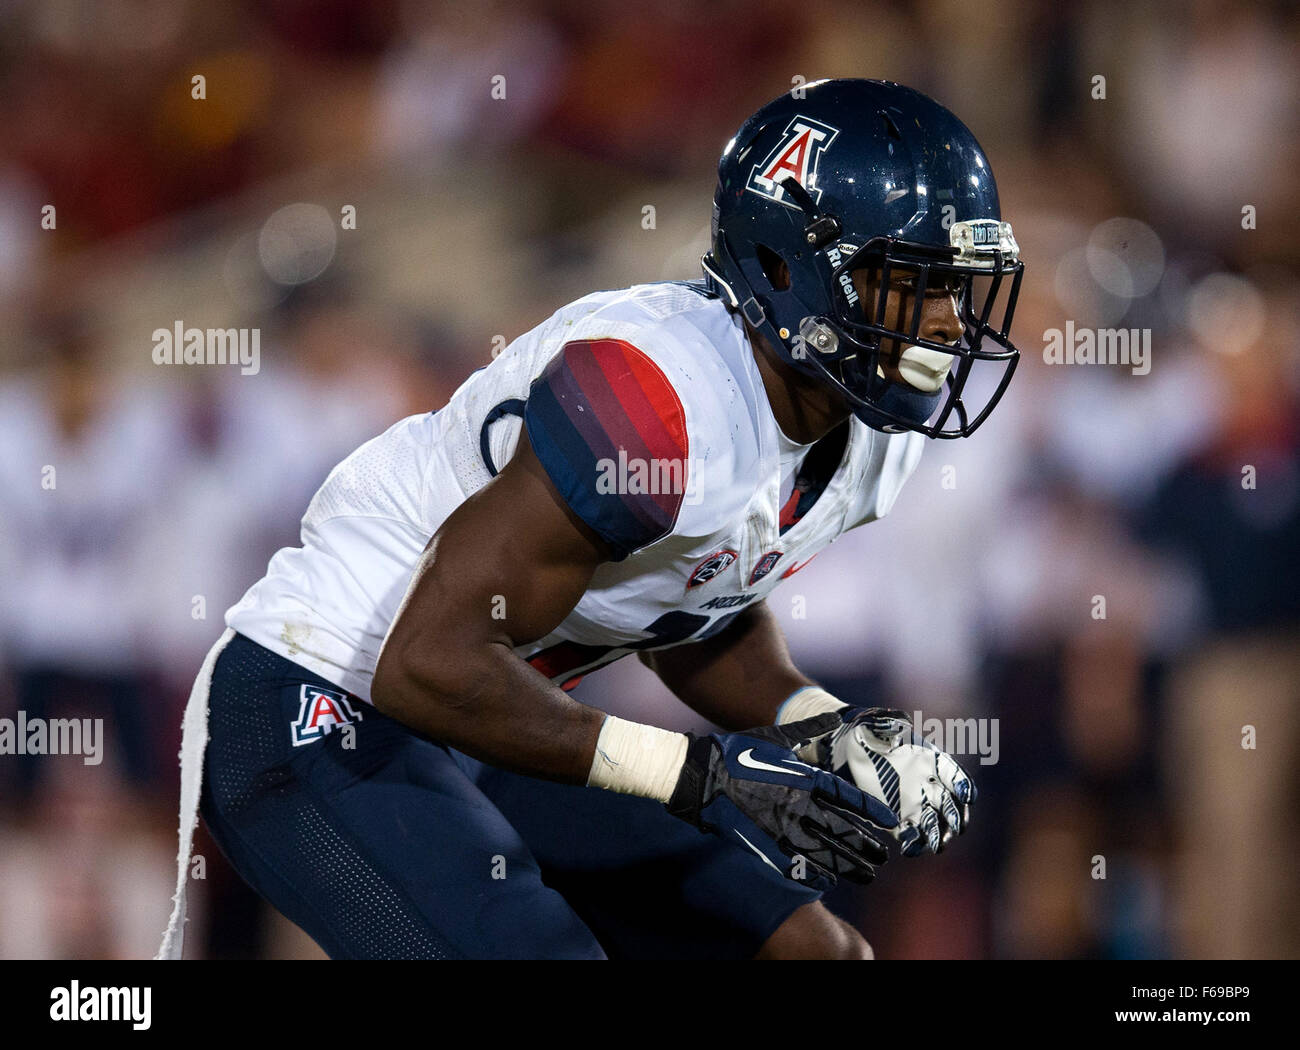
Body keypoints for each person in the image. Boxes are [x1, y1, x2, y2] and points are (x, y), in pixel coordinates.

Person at [158, 78, 1021, 960]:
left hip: (493, 716)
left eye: (958, 287)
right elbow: (428, 661)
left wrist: (821, 723)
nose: (949, 325)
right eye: (911, 284)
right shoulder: (658, 401)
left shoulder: (868, 430)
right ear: (784, 268)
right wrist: (705, 777)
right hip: (330, 693)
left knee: (813, 951)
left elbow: (690, 597)